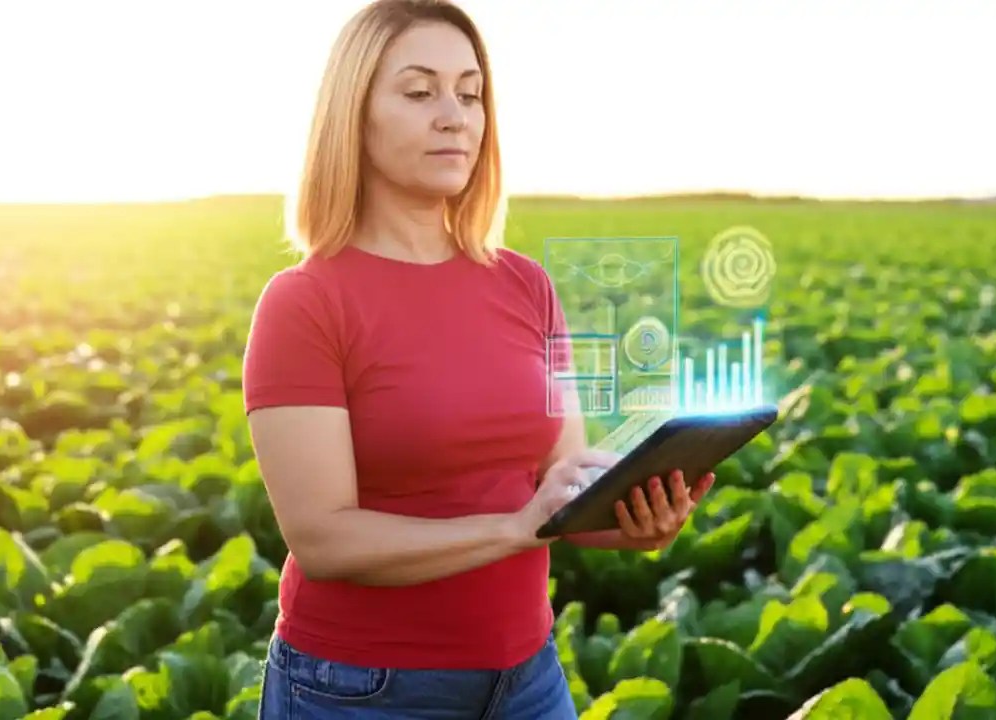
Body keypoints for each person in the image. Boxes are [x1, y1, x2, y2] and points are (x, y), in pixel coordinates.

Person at [241, 1, 716, 717]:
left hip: (527, 679)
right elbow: (325, 539)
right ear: (353, 114)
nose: (454, 115)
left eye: (470, 93)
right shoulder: (305, 301)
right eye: (419, 90)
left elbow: (560, 487)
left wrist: (637, 520)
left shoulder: (526, 285)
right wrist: (512, 528)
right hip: (361, 690)